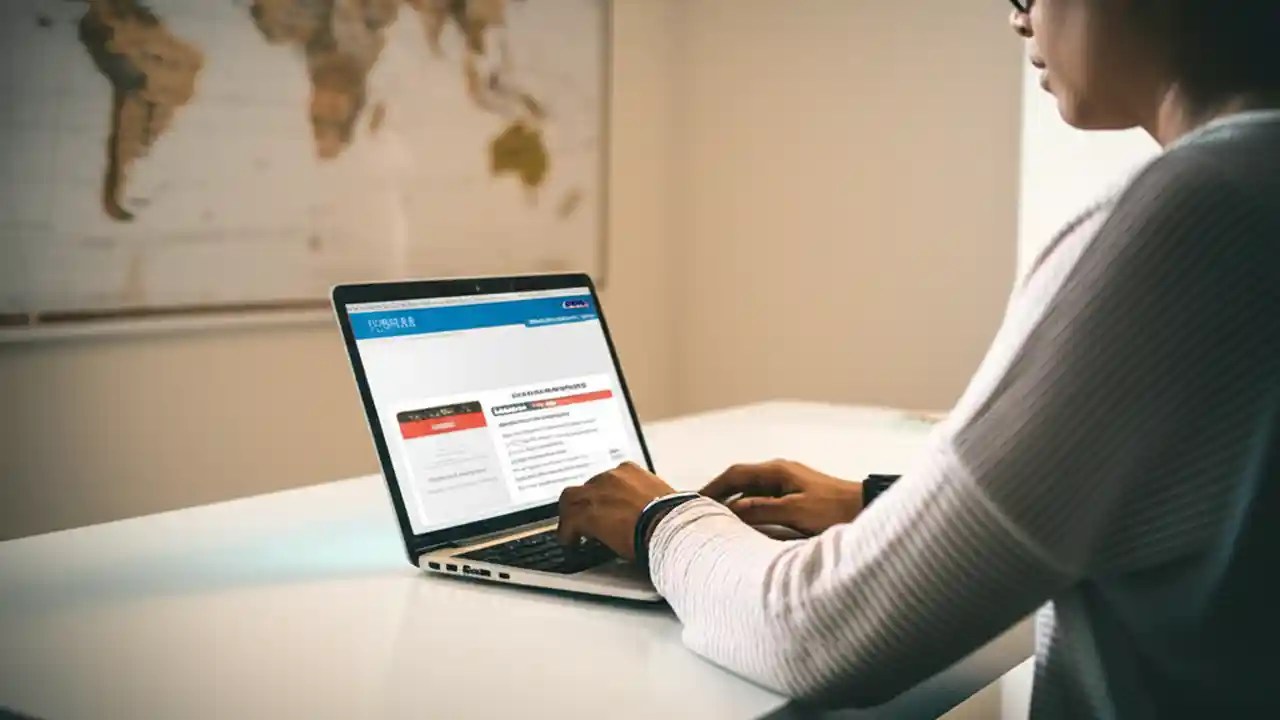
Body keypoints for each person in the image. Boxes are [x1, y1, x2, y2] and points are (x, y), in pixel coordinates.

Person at [557, 0, 1280, 716]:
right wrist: (882, 505)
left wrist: (661, 520)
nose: (1018, 19)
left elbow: (815, 633)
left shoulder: (1197, 216)